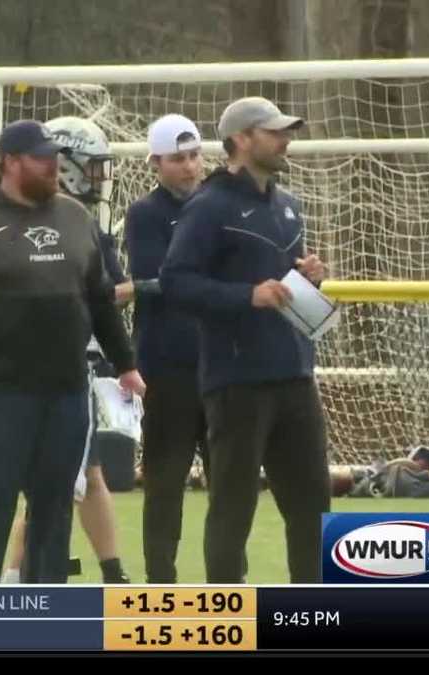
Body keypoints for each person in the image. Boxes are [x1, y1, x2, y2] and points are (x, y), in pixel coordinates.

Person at [0, 119, 145, 584]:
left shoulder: (74, 217)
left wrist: (126, 364)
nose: (53, 167)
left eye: (55, 158)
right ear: (10, 162)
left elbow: (98, 298)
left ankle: (45, 606)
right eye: (41, 159)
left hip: (66, 391)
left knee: (54, 505)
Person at [161, 97, 331, 584]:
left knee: (313, 508)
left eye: (286, 131)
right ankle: (225, 610)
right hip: (237, 382)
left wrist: (309, 277)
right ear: (241, 139)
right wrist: (247, 296)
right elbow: (176, 282)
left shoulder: (288, 205)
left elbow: (281, 282)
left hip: (295, 375)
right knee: (233, 509)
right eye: (274, 132)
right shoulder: (209, 206)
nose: (286, 140)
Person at [0, 115, 134, 585]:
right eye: (92, 166)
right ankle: (15, 576)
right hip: (47, 368)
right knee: (57, 482)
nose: (99, 177)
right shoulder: (28, 223)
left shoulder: (85, 223)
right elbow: (102, 293)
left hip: (80, 362)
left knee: (87, 474)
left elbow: (110, 287)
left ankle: (112, 571)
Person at [124, 113, 209, 583]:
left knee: (230, 483)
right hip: (167, 366)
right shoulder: (145, 214)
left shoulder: (217, 206)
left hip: (220, 365)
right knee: (165, 481)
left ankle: (230, 578)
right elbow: (157, 278)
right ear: (156, 163)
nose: (189, 166)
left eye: (194, 156)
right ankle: (160, 582)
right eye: (178, 158)